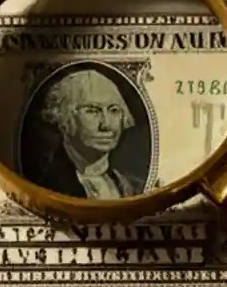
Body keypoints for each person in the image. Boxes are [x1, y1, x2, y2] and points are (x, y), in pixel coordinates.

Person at [31, 70, 144, 199]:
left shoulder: (132, 188)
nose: (106, 125)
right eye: (92, 110)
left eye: (114, 110)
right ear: (63, 118)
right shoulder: (44, 185)